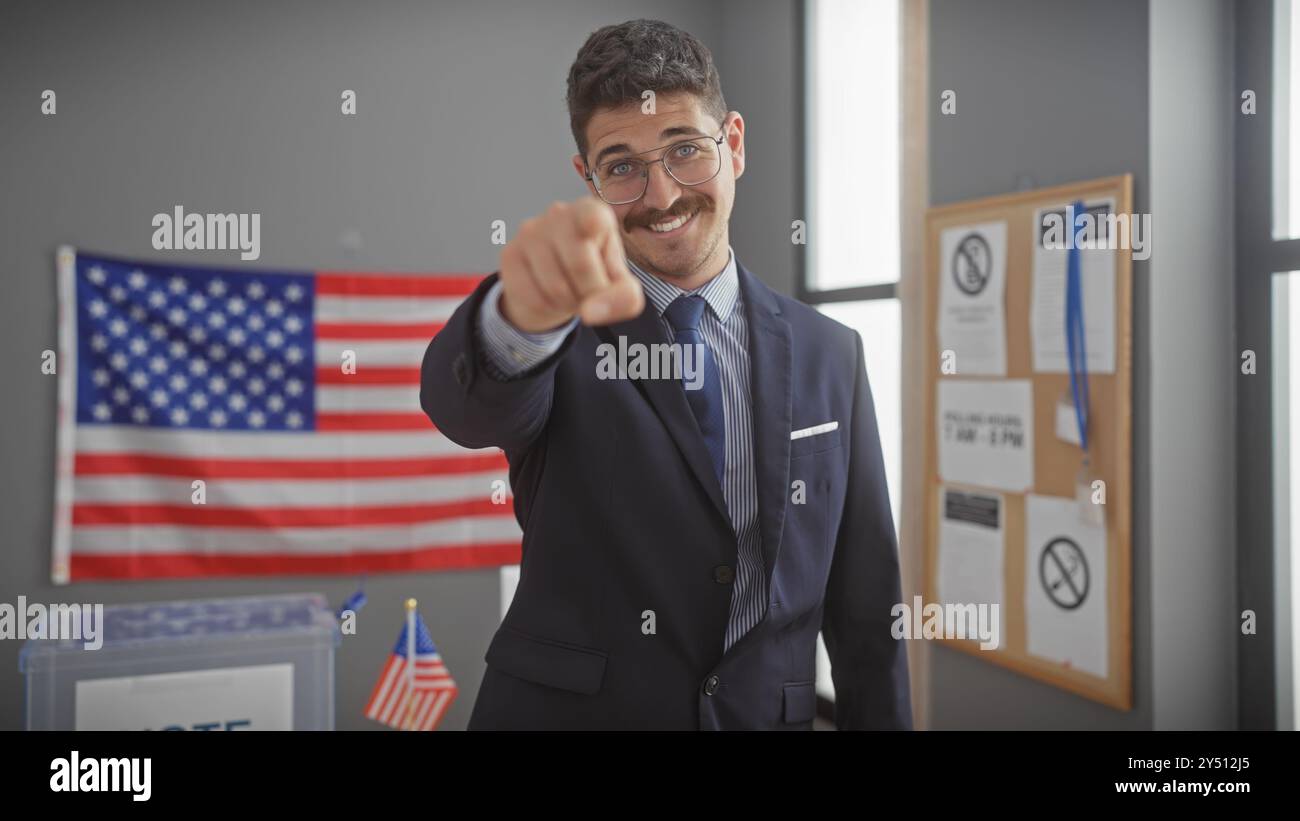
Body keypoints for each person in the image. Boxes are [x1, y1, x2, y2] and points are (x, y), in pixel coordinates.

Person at [421, 18, 911, 730]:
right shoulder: (554, 328)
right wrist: (515, 317)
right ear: (587, 178)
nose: (661, 195)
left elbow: (868, 614)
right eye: (622, 166)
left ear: (733, 144)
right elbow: (464, 408)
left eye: (685, 149)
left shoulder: (833, 351)